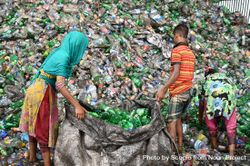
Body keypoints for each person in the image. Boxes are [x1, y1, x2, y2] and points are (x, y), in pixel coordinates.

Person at [19, 31, 89, 166]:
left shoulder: (60, 51)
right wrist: (77, 105)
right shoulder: (64, 58)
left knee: (34, 123)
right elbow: (60, 85)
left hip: (35, 88)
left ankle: (32, 157)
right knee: (43, 128)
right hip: (42, 94)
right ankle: (47, 163)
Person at [156, 23, 195, 153]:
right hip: (188, 91)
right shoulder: (190, 52)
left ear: (177, 35)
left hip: (178, 92)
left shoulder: (177, 50)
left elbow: (176, 72)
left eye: (174, 36)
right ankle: (179, 147)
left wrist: (163, 88)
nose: (173, 38)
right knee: (178, 118)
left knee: (170, 123)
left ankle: (172, 155)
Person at [198, 67, 237, 157]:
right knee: (231, 127)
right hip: (229, 100)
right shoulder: (227, 78)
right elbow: (234, 92)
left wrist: (200, 117)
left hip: (213, 101)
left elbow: (201, 102)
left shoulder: (205, 80)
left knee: (212, 125)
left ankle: (215, 150)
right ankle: (231, 155)